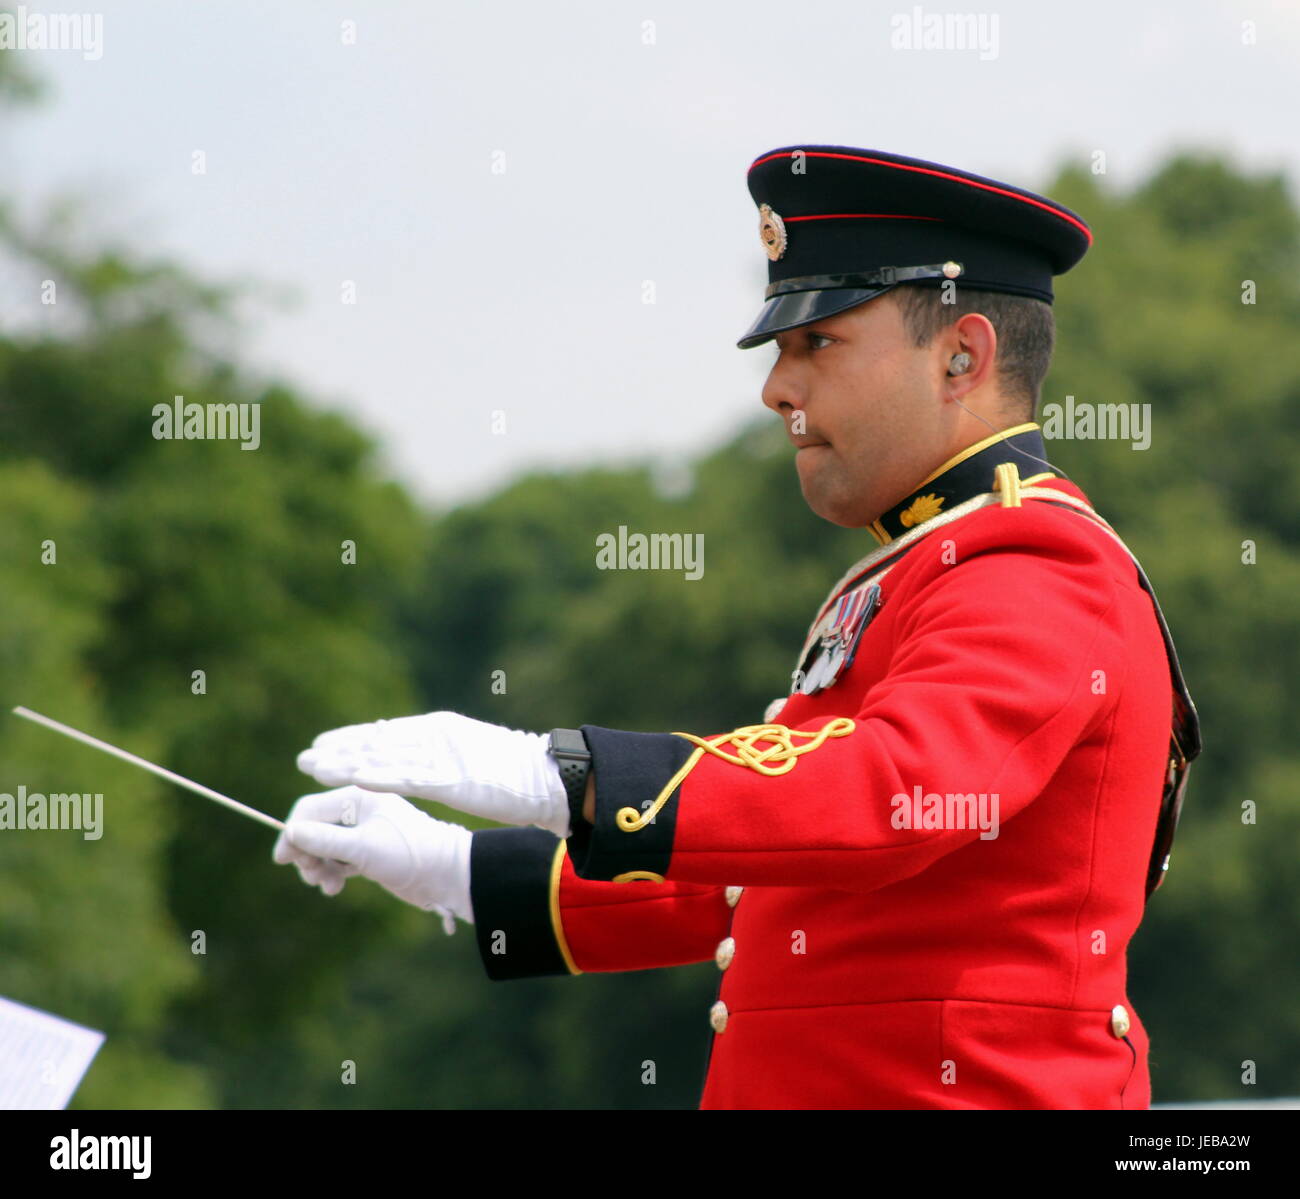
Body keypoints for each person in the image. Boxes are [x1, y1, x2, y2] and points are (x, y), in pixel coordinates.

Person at [273, 144, 1200, 1110]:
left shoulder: (1037, 564)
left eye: (819, 343)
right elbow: (770, 878)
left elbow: (888, 790)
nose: (777, 389)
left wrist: (563, 775)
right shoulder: (932, 562)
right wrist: (462, 871)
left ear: (963, 354)